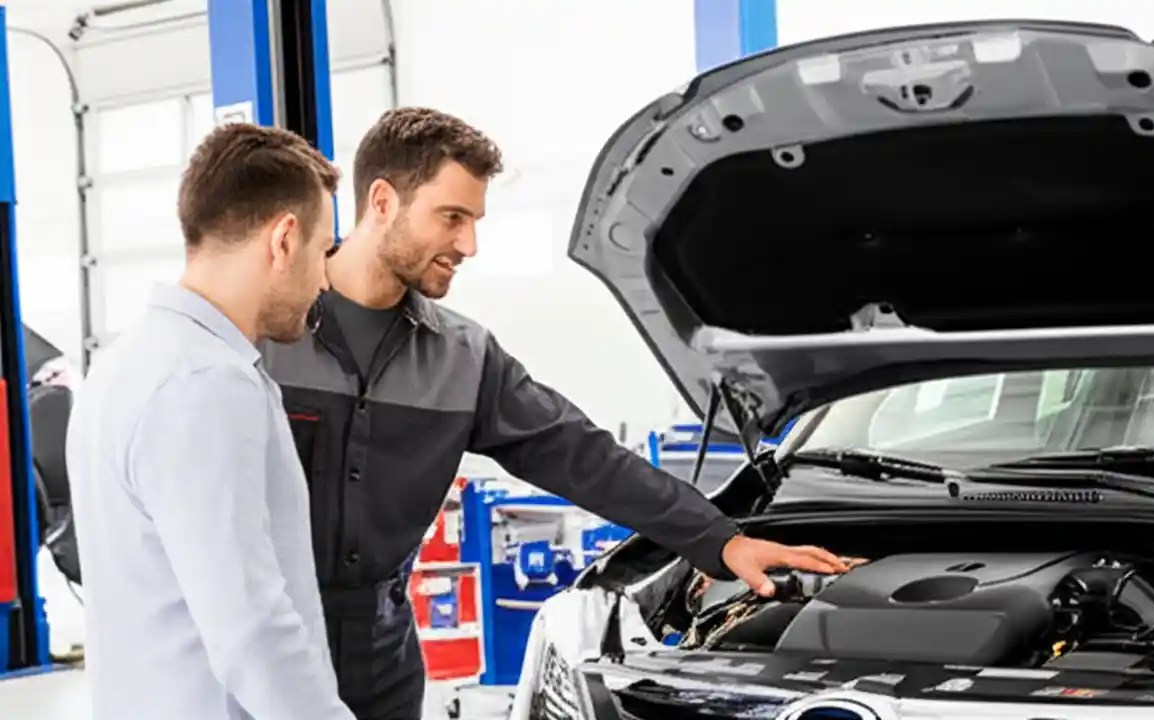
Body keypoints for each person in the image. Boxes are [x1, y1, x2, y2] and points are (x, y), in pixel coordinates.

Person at [260, 107, 857, 719]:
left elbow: (583, 456)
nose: (468, 244)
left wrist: (721, 542)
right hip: (260, 650)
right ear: (382, 202)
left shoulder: (464, 358)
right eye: (452, 217)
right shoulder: (261, 335)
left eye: (473, 221)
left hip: (382, 665)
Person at [65, 123, 357, 720]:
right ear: (283, 239)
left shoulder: (123, 366)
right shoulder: (205, 385)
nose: (325, 279)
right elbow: (252, 630)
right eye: (324, 251)